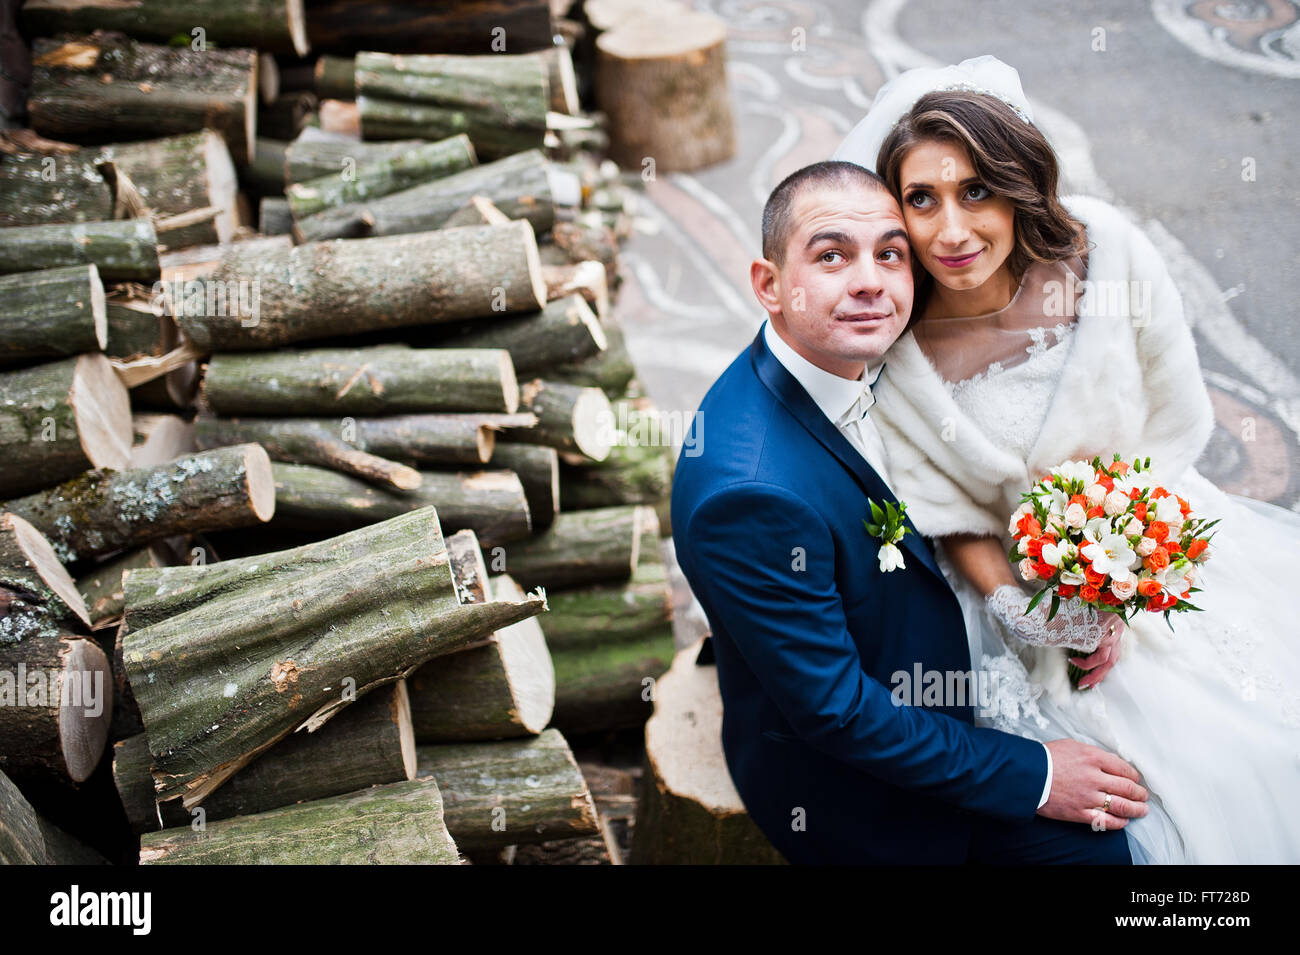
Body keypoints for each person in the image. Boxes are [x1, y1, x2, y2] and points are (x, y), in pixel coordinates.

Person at [834, 55, 1300, 864]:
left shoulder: (1108, 254)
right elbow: (946, 514)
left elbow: (1176, 422)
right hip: (1010, 598)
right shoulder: (896, 341)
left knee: (1266, 743)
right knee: (1146, 796)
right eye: (922, 199)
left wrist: (1123, 573)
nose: (951, 230)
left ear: (1019, 183)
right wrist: (1029, 607)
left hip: (1159, 553)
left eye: (976, 189)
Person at [670, 158, 1147, 864]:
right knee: (1123, 853)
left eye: (890, 254)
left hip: (947, 658)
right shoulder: (752, 493)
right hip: (863, 788)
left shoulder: (866, 363)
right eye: (832, 255)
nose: (869, 280)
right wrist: (1039, 776)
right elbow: (839, 713)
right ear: (769, 286)